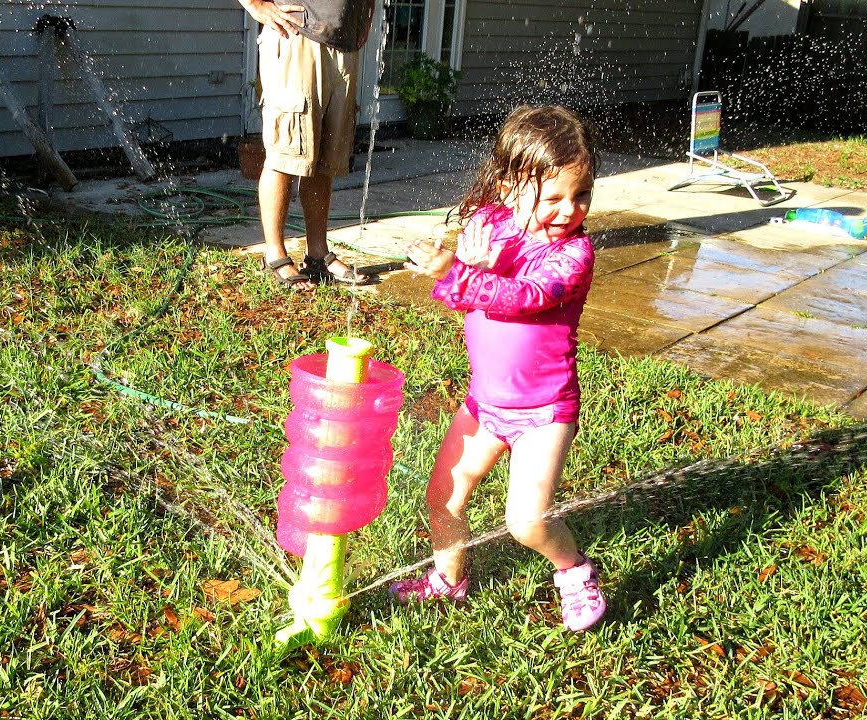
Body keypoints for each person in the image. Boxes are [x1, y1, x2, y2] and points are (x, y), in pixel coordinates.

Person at [389, 105, 605, 632]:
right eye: (552, 197)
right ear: (510, 187)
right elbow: (468, 287)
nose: (567, 210)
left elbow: (522, 296)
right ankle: (449, 579)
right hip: (484, 405)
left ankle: (574, 571)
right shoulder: (491, 224)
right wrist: (449, 260)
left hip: (545, 411)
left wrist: (459, 274)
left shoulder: (573, 256)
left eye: (580, 196)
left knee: (526, 522)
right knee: (444, 495)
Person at [237, 0, 376, 290]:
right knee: (285, 152)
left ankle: (317, 253)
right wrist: (255, 5)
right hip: (295, 36)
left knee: (325, 156)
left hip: (343, 41)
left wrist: (364, 18)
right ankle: (274, 253)